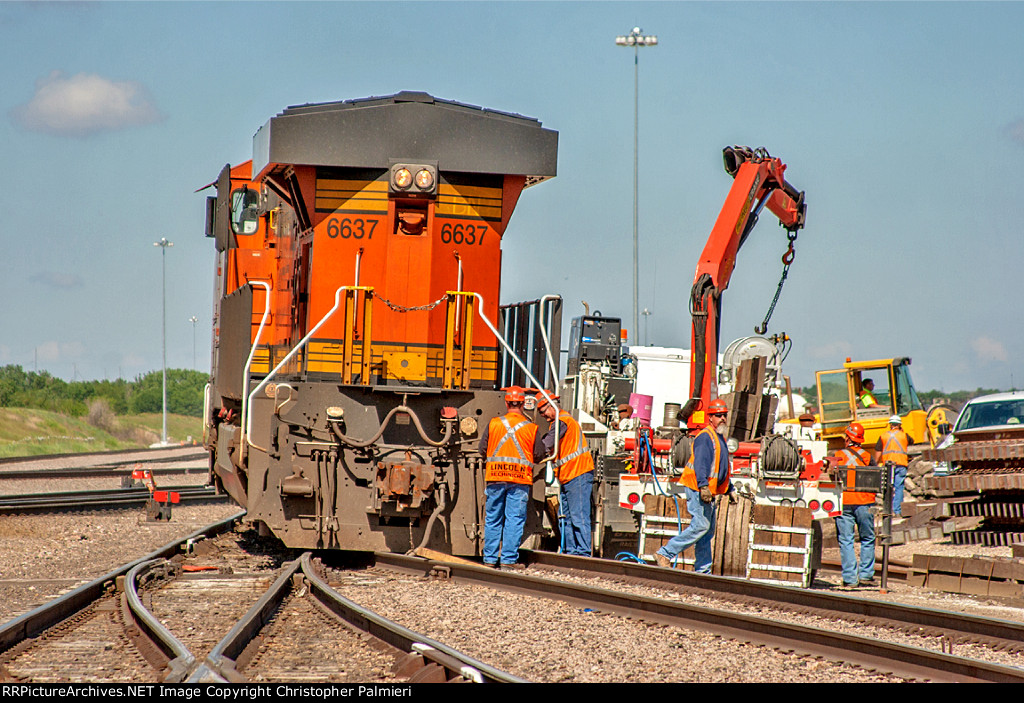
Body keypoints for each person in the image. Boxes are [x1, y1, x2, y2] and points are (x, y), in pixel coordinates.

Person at [654, 399, 732, 573]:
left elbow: (721, 467)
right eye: (718, 415)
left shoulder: (719, 438)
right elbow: (701, 465)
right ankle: (665, 553)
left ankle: (703, 571)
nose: (723, 419)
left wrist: (729, 489)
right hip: (698, 487)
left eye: (724, 415)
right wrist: (703, 486)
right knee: (701, 526)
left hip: (706, 489)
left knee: (707, 531)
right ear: (710, 417)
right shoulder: (706, 437)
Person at [478, 386, 546, 569]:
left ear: (506, 402)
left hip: (495, 477)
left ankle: (490, 559)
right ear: (523, 403)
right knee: (514, 519)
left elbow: (482, 450)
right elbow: (539, 454)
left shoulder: (494, 423)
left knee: (493, 518)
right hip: (520, 480)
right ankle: (508, 560)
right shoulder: (531, 428)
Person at [536, 391, 596, 557]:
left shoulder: (562, 421)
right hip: (569, 475)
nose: (543, 416)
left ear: (553, 404)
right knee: (566, 517)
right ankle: (571, 552)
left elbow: (546, 445)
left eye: (543, 411)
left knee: (578, 516)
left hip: (578, 472)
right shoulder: (558, 422)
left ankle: (582, 553)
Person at [826, 422, 876, 588]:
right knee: (867, 538)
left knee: (846, 540)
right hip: (865, 503)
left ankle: (850, 579)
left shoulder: (838, 455)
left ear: (847, 438)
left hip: (844, 503)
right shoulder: (868, 457)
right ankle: (866, 575)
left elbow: (831, 476)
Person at [874, 415, 913, 519]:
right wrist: (902, 431)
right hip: (901, 464)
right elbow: (911, 441)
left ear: (890, 424)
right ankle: (897, 511)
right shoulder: (904, 435)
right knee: (899, 487)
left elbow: (878, 452)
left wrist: (876, 464)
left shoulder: (883, 436)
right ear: (900, 425)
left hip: (888, 465)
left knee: (888, 487)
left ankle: (888, 510)